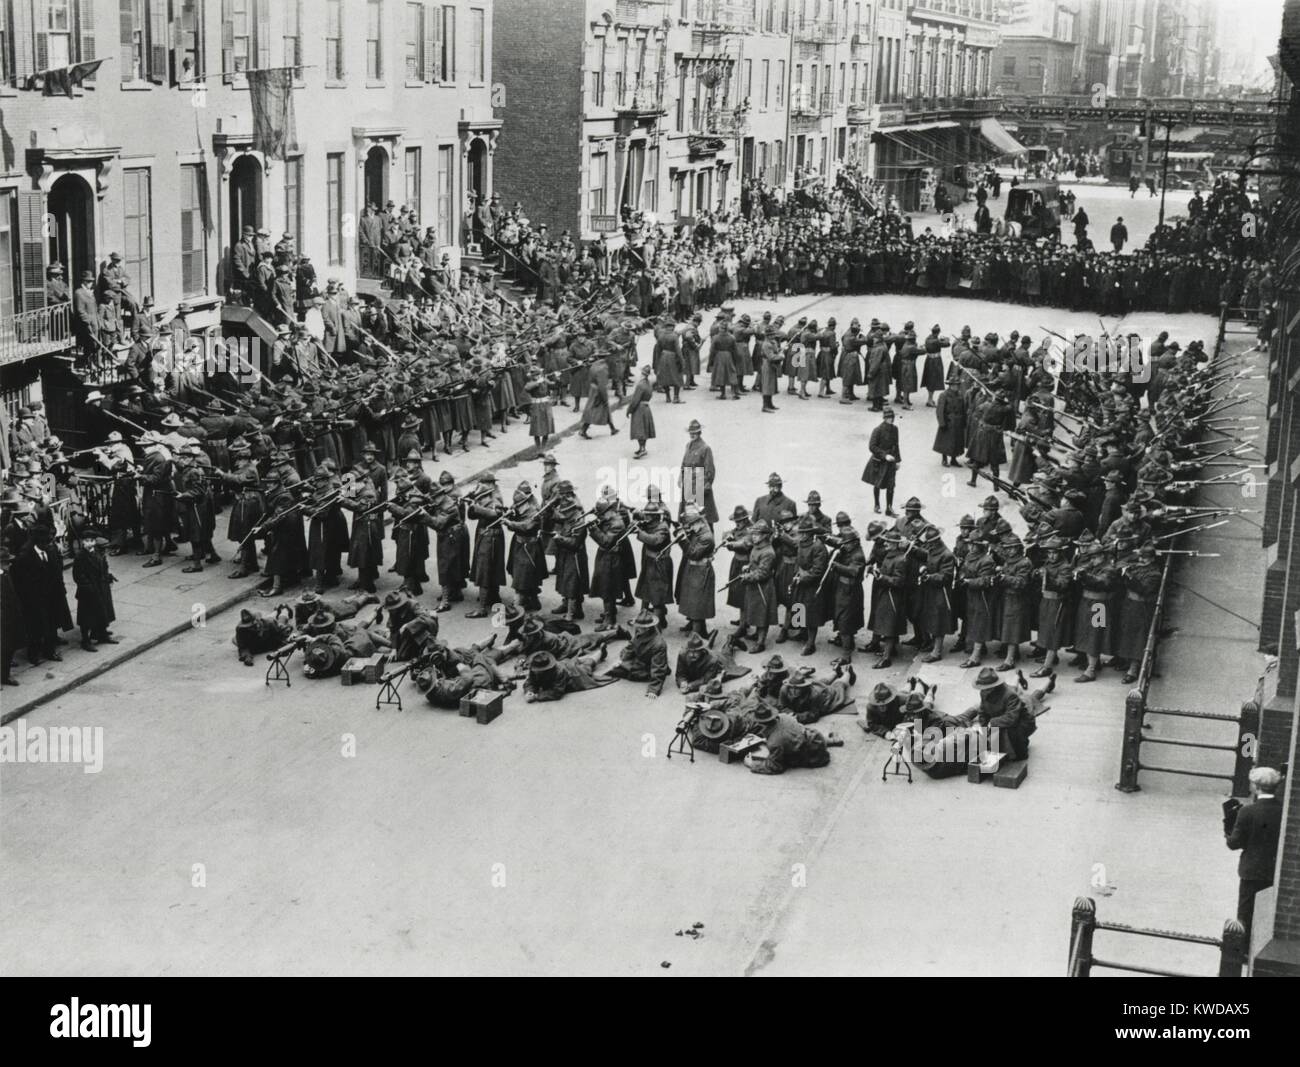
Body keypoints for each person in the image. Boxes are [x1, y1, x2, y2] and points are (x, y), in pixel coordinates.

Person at [1225, 766, 1283, 939]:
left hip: (1251, 870)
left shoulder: (1247, 812)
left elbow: (1234, 843)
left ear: (1256, 787)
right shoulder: (1282, 811)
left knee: (1245, 912)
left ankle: (1240, 948)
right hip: (1273, 869)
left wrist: (1228, 831)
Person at [861, 407, 900, 516]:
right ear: (884, 418)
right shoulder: (878, 430)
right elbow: (872, 446)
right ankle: (877, 504)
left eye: (892, 417)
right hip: (879, 461)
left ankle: (889, 508)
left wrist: (897, 460)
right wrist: (884, 455)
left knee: (891, 485)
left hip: (891, 460)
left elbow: (896, 445)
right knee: (877, 483)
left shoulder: (895, 429)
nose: (891, 420)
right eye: (888, 417)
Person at [626, 365, 656, 459]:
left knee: (639, 430)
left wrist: (629, 410)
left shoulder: (640, 385)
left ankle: (642, 449)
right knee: (645, 429)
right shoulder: (649, 384)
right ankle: (642, 448)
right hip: (646, 407)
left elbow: (635, 400)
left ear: (642, 374)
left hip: (639, 408)